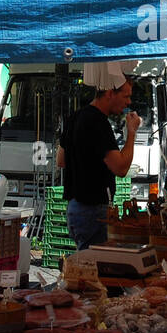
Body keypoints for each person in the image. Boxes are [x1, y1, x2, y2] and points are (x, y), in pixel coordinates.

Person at [57, 78, 141, 251]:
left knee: (86, 263)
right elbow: (121, 168)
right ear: (110, 93)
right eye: (125, 96)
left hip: (75, 208)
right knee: (93, 268)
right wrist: (131, 133)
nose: (129, 102)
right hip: (92, 209)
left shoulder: (75, 117)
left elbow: (61, 160)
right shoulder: (98, 122)